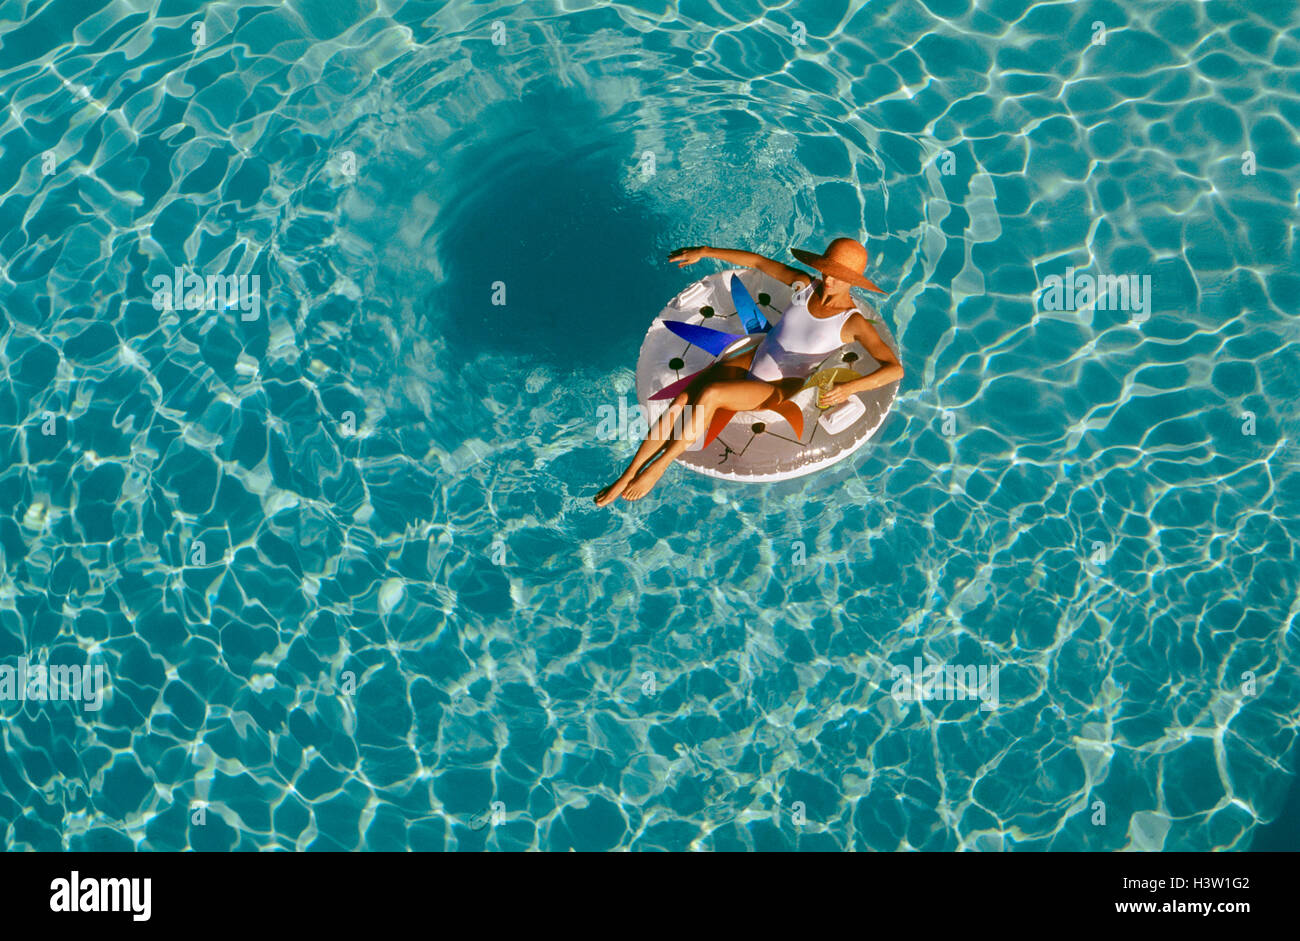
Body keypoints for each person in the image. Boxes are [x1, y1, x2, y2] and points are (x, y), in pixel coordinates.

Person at [595, 237, 903, 505]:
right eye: (826, 269)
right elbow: (757, 261)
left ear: (854, 279)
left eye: (838, 275)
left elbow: (894, 370)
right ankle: (627, 476)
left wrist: (850, 388)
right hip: (752, 359)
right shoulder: (804, 286)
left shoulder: (852, 322)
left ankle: (658, 468)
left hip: (779, 387)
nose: (829, 278)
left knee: (711, 395)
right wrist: (704, 251)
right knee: (679, 402)